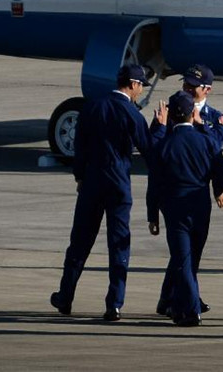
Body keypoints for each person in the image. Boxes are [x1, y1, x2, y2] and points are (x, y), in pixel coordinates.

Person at [50, 63, 165, 321]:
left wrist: (79, 175)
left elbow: (80, 145)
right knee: (119, 245)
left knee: (79, 243)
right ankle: (114, 304)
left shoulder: (93, 106)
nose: (139, 92)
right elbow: (148, 150)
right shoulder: (132, 114)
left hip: (91, 181)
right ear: (133, 85)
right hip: (118, 185)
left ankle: (65, 296)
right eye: (140, 86)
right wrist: (159, 127)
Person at [147, 91, 223, 327]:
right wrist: (216, 190)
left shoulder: (165, 144)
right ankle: (181, 304)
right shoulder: (207, 141)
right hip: (200, 204)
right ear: (193, 113)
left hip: (175, 207)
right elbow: (221, 173)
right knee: (192, 259)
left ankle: (190, 310)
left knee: (182, 259)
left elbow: (155, 182)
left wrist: (153, 214)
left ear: (171, 115)